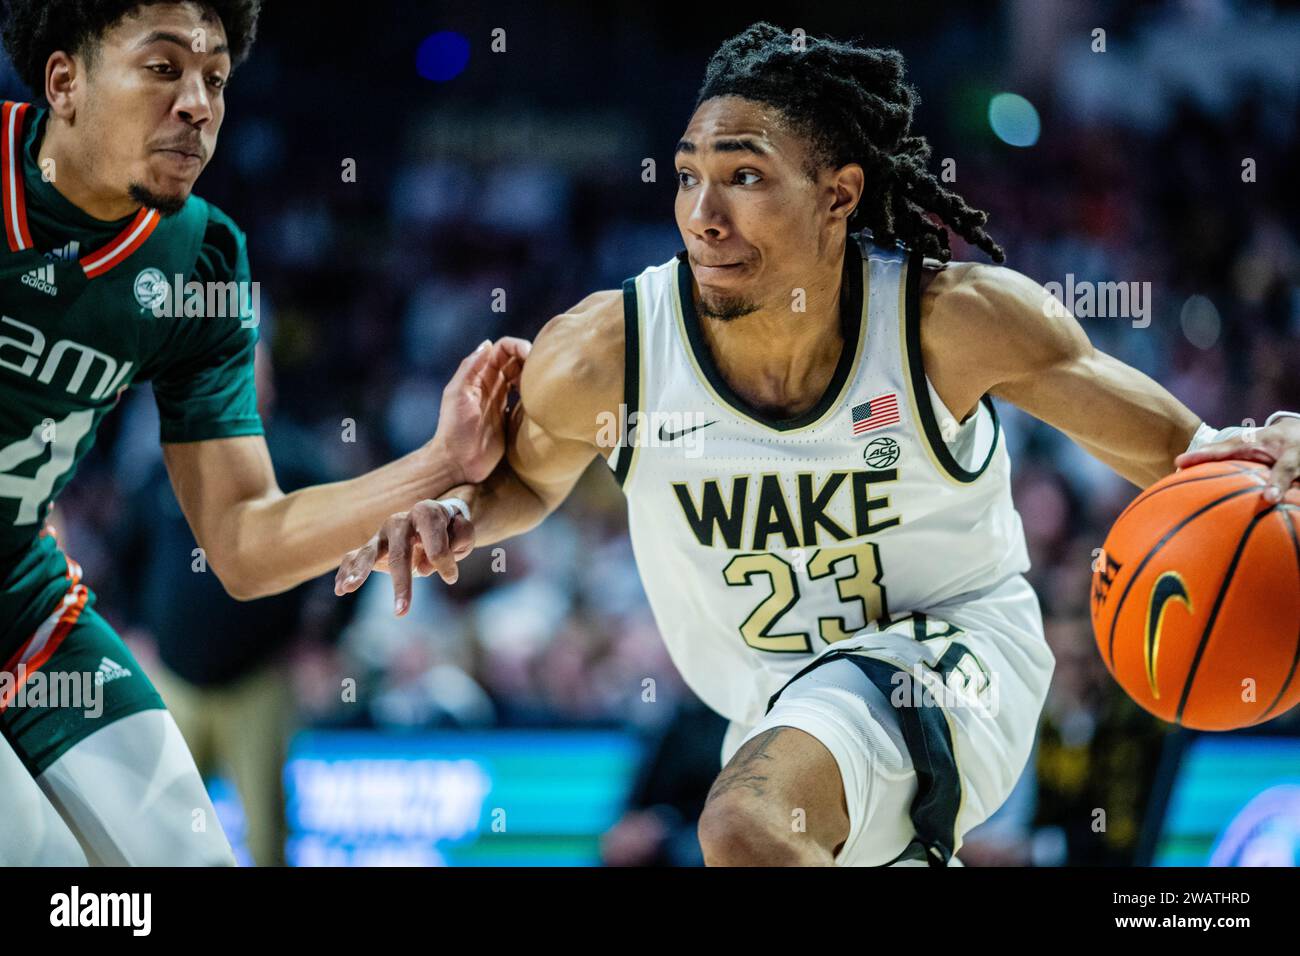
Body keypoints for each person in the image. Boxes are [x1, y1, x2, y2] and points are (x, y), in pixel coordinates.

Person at [336, 22, 1300, 866]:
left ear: (839, 194)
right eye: (690, 176)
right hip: (771, 704)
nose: (703, 215)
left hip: (955, 658)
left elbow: (1201, 460)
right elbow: (528, 482)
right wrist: (461, 512)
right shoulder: (606, 355)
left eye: (746, 176)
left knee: (745, 830)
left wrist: (1281, 461)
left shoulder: (950, 325)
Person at [0, 0, 524, 865]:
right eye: (164, 67)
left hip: (24, 604)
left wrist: (440, 461)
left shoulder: (202, 259)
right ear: (65, 82)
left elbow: (243, 541)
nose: (198, 104)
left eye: (215, 79)